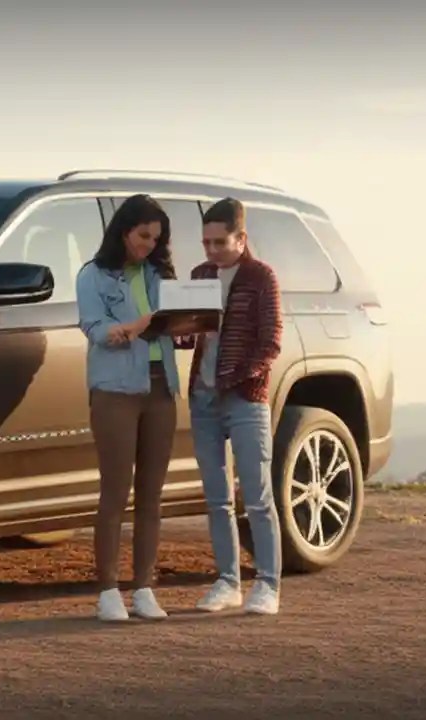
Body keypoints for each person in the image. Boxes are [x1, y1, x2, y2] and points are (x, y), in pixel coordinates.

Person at [76, 194, 196, 622]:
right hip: (115, 390)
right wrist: (138, 327)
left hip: (161, 388)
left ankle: (144, 588)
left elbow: (175, 326)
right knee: (115, 492)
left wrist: (188, 327)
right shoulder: (93, 275)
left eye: (156, 238)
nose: (149, 244)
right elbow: (96, 330)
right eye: (143, 235)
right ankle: (108, 590)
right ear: (124, 230)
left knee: (151, 494)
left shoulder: (157, 273)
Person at [186, 197, 284, 616]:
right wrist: (175, 328)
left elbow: (272, 341)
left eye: (219, 242)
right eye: (205, 242)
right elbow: (189, 335)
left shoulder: (262, 278)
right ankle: (228, 580)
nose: (210, 251)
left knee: (257, 496)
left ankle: (268, 583)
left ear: (241, 238)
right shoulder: (199, 276)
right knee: (216, 496)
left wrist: (238, 376)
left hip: (245, 398)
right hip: (203, 397)